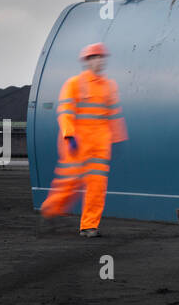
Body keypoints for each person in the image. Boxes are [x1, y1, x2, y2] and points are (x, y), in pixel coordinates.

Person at [39, 42, 127, 237]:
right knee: (68, 184)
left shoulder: (109, 86)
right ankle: (50, 211)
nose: (98, 61)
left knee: (97, 187)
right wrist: (69, 135)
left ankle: (89, 226)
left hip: (100, 146)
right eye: (94, 58)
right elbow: (65, 112)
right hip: (76, 144)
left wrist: (118, 138)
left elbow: (114, 115)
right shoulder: (74, 84)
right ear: (87, 61)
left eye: (101, 57)